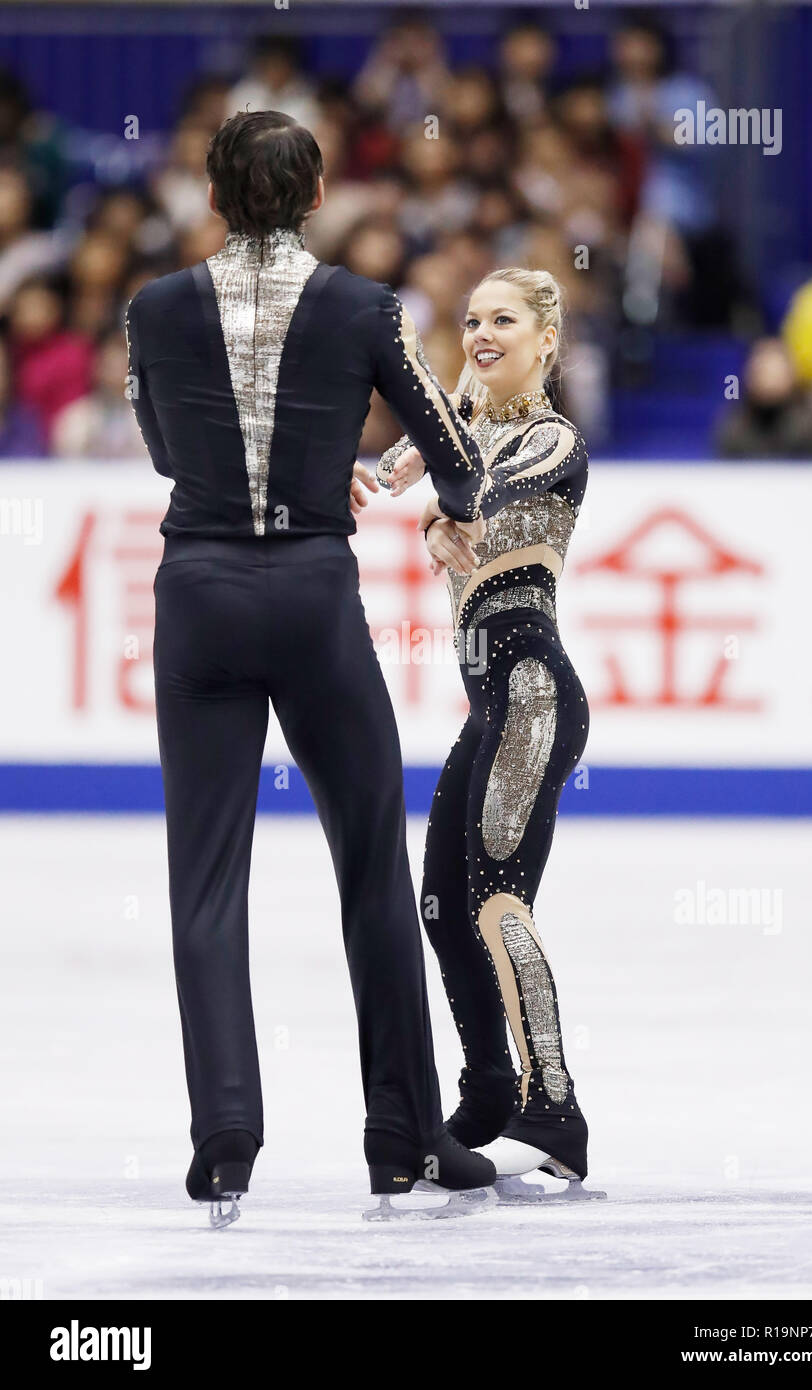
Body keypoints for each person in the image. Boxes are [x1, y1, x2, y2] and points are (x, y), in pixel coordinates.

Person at [125, 110, 496, 1222]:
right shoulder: (363, 305)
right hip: (310, 594)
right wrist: (445, 518)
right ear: (319, 188)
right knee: (371, 865)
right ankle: (403, 1136)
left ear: (211, 192)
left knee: (204, 880)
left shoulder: (152, 307)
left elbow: (158, 447)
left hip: (197, 594)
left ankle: (226, 1135)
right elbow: (453, 450)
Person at [376, 268, 602, 1197]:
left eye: (503, 319)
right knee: (440, 900)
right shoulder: (463, 433)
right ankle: (487, 1091)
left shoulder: (553, 440)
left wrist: (439, 506)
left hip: (535, 693)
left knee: (498, 899)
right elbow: (396, 464)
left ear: (546, 340)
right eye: (469, 319)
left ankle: (556, 1110)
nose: (480, 332)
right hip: (493, 705)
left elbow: (481, 486)